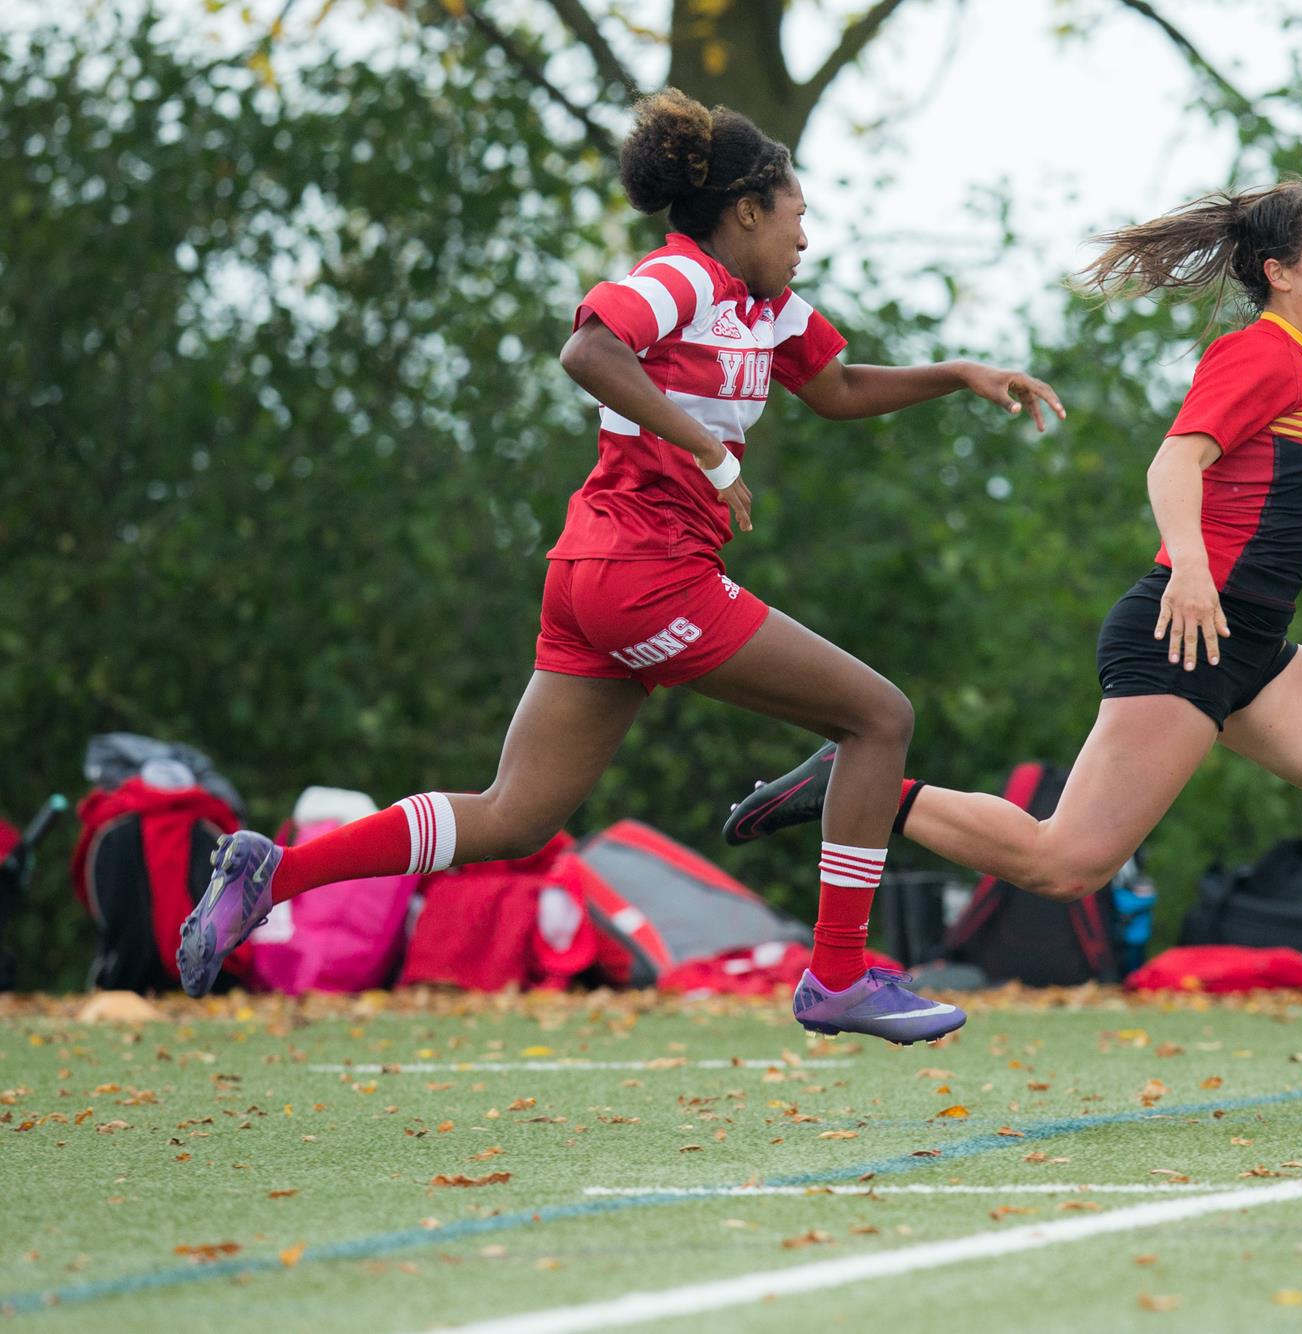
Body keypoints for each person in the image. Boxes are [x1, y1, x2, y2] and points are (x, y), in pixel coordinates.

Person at [177, 88, 1063, 1046]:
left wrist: (958, 374)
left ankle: (279, 873)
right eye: (798, 214)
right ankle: (839, 974)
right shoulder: (682, 276)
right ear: (748, 210)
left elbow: (838, 388)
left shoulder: (764, 307)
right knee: (879, 718)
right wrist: (708, 450)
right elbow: (589, 349)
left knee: (514, 817)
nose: (807, 236)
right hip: (647, 573)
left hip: (596, 574)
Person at [721, 180, 1302, 1092]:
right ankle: (852, 786)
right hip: (1182, 631)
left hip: (1252, 647)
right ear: (1278, 272)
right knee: (1064, 865)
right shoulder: (1258, 353)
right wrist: (1190, 567)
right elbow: (1176, 460)